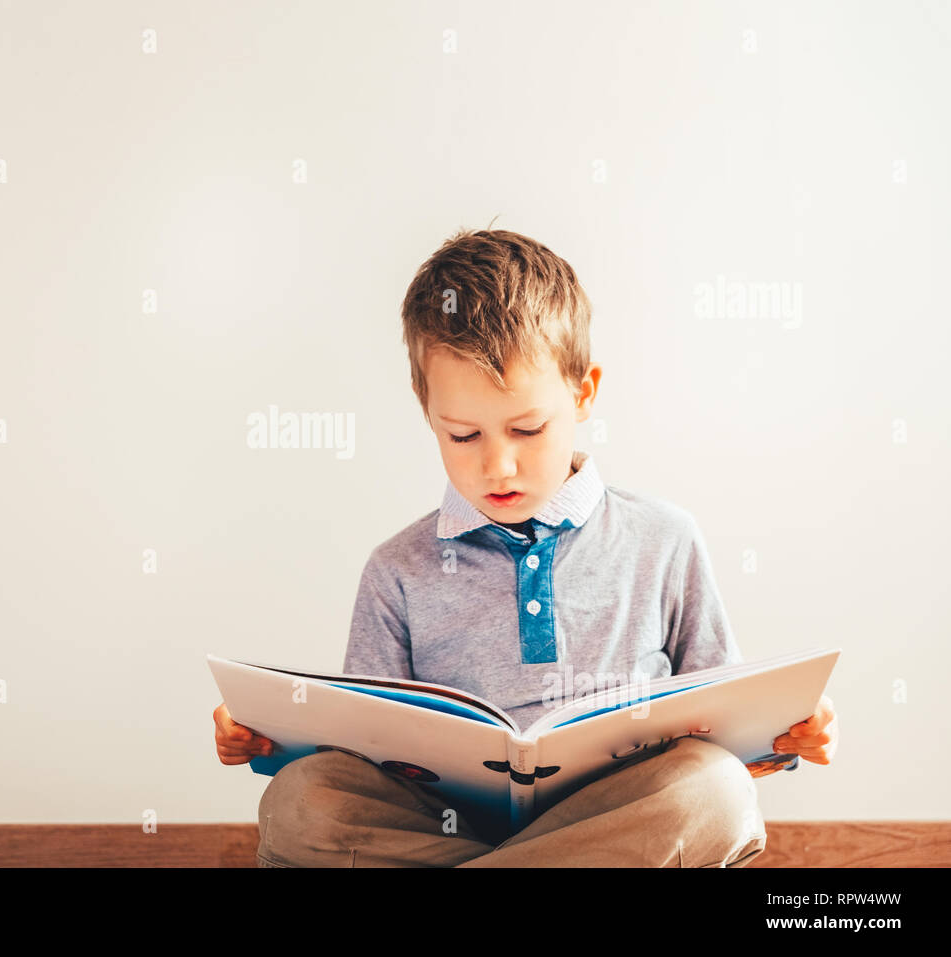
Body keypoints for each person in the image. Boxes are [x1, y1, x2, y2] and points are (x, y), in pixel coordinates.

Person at [212, 228, 838, 867]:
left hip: (614, 827)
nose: (498, 467)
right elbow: (363, 755)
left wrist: (789, 732)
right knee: (303, 800)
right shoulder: (395, 570)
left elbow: (726, 732)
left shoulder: (665, 539)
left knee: (715, 793)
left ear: (584, 393)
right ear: (426, 409)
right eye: (463, 436)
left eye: (527, 429)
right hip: (446, 832)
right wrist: (269, 740)